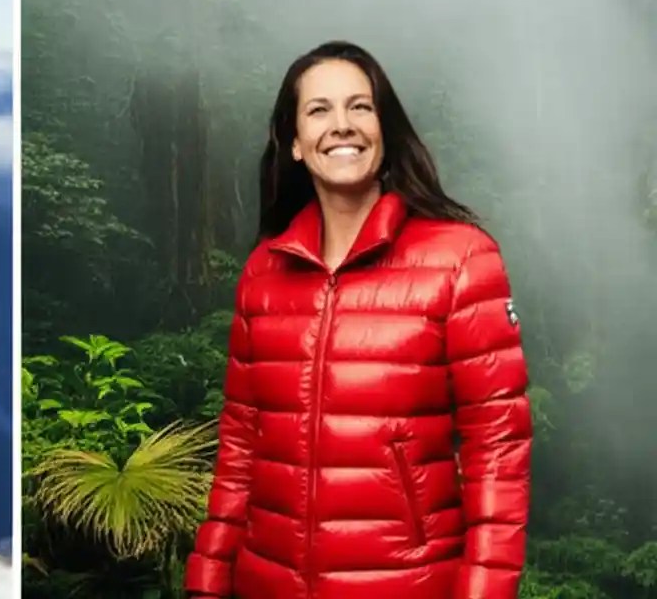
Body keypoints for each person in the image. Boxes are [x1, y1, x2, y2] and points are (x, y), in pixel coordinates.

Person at [185, 41, 532, 599]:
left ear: (385, 131)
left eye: (360, 107)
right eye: (318, 110)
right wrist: (206, 576)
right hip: (266, 582)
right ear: (294, 143)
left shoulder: (462, 259)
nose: (341, 125)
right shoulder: (263, 272)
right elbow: (241, 448)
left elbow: (499, 451)